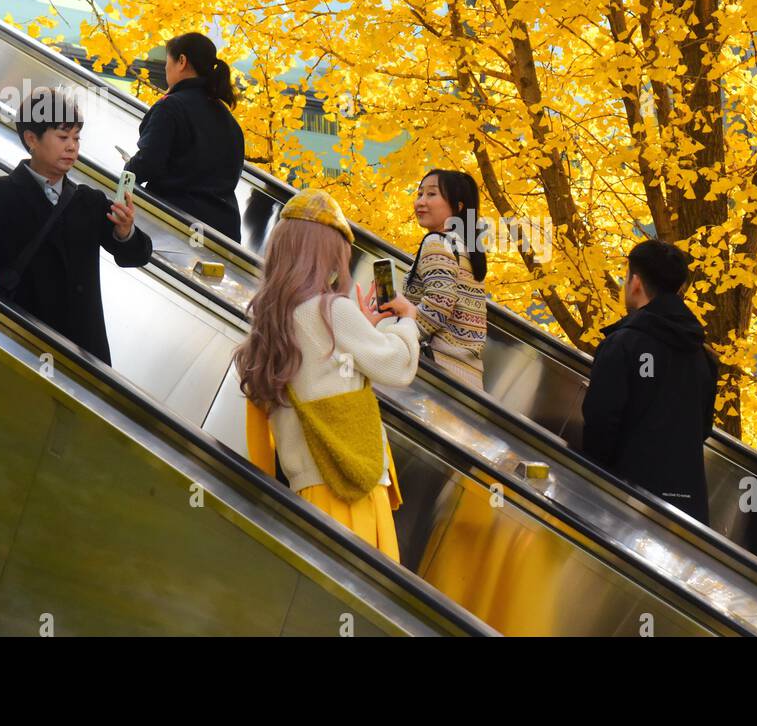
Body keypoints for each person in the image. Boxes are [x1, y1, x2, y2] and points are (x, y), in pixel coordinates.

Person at [234, 189, 419, 561]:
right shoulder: (331, 310)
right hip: (352, 489)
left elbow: (323, 367)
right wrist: (407, 321)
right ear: (327, 253)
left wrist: (359, 329)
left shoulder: (270, 323)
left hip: (310, 490)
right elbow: (397, 366)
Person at [0, 87, 153, 365]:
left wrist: (124, 231)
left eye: (76, 138)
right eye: (62, 137)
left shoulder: (88, 201)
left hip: (82, 350)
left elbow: (137, 255)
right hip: (19, 340)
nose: (72, 147)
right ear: (32, 139)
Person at [579, 239, 716, 524]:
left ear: (636, 283)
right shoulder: (703, 357)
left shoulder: (623, 344)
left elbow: (601, 422)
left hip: (626, 505)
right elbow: (702, 429)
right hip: (689, 513)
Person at [125, 32, 245, 241]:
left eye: (167, 62)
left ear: (182, 61)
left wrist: (128, 170)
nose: (165, 69)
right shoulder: (229, 121)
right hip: (224, 233)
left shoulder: (171, 107)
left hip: (177, 223)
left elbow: (148, 164)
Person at [403, 169, 487, 389]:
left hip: (438, 370)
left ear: (457, 207)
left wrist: (401, 333)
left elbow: (440, 302)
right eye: (419, 194)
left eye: (431, 195)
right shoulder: (466, 248)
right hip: (469, 375)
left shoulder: (436, 242)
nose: (420, 202)